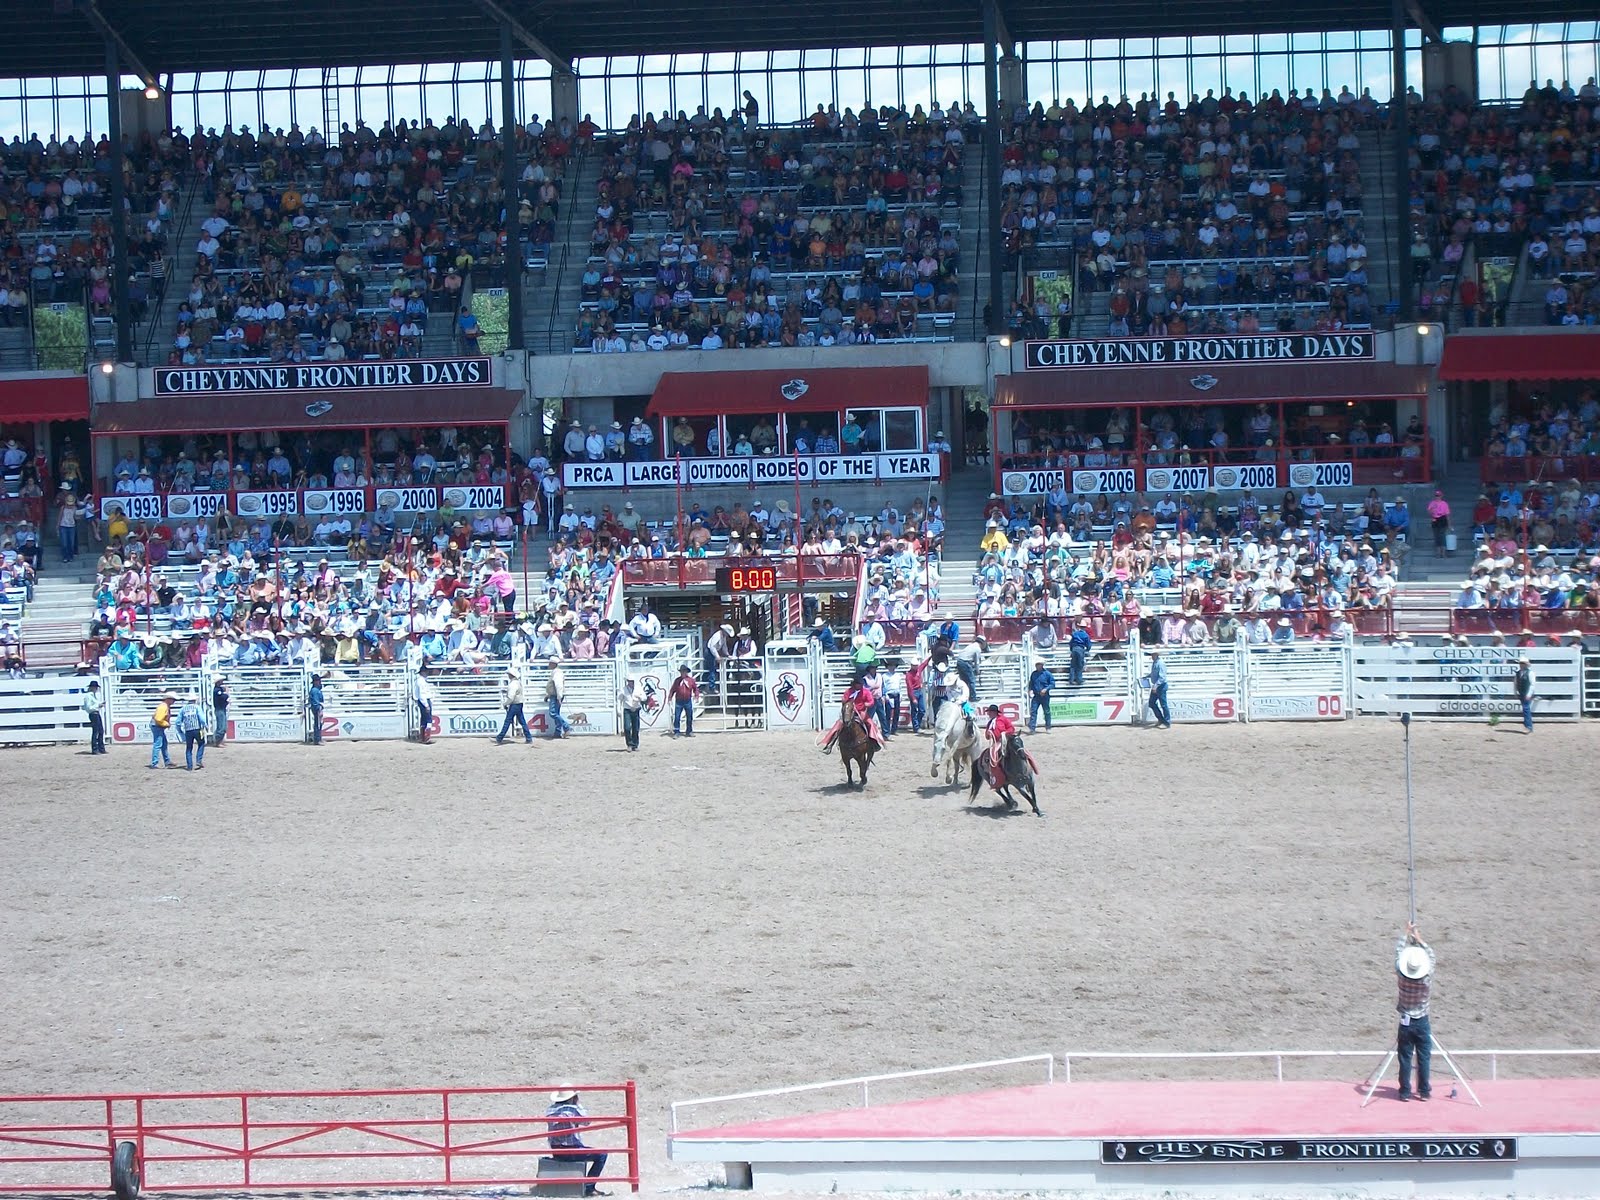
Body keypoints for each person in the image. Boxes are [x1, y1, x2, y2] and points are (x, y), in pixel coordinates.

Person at [1394, 920, 1436, 1101]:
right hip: (1422, 1021)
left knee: (1404, 1058)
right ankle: (1424, 1091)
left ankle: (1404, 1091)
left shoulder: (1402, 977)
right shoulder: (1426, 979)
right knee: (1424, 1057)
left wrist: (1406, 934)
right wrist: (1419, 939)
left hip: (1406, 1021)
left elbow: (1397, 955)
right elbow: (1432, 956)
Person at [544, 1085, 609, 1197]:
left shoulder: (551, 1109)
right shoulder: (572, 1110)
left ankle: (589, 1187)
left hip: (556, 1150)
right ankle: (589, 1188)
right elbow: (587, 1121)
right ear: (572, 1097)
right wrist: (578, 1104)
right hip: (571, 1150)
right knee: (602, 1155)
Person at [820, 675, 884, 751]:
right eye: (857, 683)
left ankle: (874, 742)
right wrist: (845, 701)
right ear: (854, 684)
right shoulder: (849, 691)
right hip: (849, 712)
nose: (859, 685)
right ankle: (830, 743)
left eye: (860, 684)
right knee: (838, 724)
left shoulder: (866, 692)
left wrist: (866, 704)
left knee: (870, 723)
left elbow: (871, 701)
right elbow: (844, 700)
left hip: (861, 712)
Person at [495, 665, 534, 744]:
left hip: (514, 704)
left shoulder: (512, 684)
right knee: (522, 721)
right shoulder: (518, 683)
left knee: (508, 721)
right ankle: (528, 737)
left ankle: (500, 737)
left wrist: (505, 703)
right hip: (519, 703)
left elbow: (511, 697)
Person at [545, 656, 573, 738]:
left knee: (553, 713)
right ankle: (557, 732)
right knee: (556, 713)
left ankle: (566, 727)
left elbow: (558, 685)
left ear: (553, 664)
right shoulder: (556, 672)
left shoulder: (556, 673)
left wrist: (559, 697)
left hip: (556, 695)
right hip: (555, 695)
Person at [178, 693, 207, 769]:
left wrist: (180, 731)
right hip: (197, 729)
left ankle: (189, 766)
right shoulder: (197, 707)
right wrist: (205, 726)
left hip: (188, 731)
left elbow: (178, 722)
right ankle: (198, 760)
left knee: (189, 748)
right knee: (201, 743)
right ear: (194, 700)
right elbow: (202, 718)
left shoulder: (183, 709)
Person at [149, 689, 177, 768]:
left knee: (163, 743)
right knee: (158, 744)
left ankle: (167, 761)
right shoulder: (163, 707)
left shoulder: (164, 706)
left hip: (157, 726)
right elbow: (158, 719)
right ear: (168, 699)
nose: (174, 701)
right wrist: (166, 724)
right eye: (173, 699)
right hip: (157, 726)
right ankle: (155, 763)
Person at [669, 664, 698, 737]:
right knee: (677, 717)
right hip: (679, 701)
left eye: (684, 671)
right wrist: (670, 697)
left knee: (689, 716)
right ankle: (677, 731)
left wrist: (696, 695)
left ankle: (689, 731)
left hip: (687, 700)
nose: (683, 673)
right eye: (682, 672)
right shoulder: (677, 681)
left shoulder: (691, 680)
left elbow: (695, 689)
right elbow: (673, 690)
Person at [1145, 649, 1171, 728]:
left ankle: (1166, 722)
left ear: (1156, 655)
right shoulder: (1156, 663)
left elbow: (1162, 677)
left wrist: (1155, 686)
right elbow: (1157, 674)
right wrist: (1148, 676)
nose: (1151, 656)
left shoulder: (1160, 663)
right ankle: (1162, 720)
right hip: (1158, 685)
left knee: (1163, 704)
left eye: (1152, 655)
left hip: (1160, 686)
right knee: (1152, 703)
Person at [1027, 661, 1055, 733]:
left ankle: (1048, 727)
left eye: (1039, 664)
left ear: (1042, 665)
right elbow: (1031, 683)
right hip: (1036, 695)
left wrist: (1046, 689)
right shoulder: (1034, 674)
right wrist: (1030, 690)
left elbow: (1052, 684)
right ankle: (1032, 728)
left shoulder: (1047, 674)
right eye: (1037, 665)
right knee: (1033, 711)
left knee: (1046, 711)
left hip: (1045, 696)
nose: (1037, 666)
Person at [414, 666, 438, 744]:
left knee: (424, 719)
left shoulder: (420, 681)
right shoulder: (421, 681)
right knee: (428, 719)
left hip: (422, 700)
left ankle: (423, 737)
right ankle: (426, 738)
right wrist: (426, 705)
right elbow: (422, 694)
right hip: (424, 700)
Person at [619, 674, 643, 751]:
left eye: (632, 681)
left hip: (636, 709)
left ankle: (635, 745)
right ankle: (629, 744)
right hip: (627, 709)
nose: (631, 683)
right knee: (627, 727)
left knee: (636, 728)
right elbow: (619, 699)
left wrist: (640, 698)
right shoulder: (623, 690)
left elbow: (644, 697)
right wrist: (618, 709)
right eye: (629, 681)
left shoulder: (638, 688)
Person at [82, 679, 106, 754]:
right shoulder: (88, 696)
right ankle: (95, 749)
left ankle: (100, 748)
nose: (96, 689)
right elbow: (88, 707)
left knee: (100, 731)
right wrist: (98, 705)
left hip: (96, 713)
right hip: (93, 714)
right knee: (96, 731)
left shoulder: (92, 696)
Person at [1426, 489, 1452, 557]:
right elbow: (1429, 511)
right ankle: (1438, 553)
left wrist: (1449, 525)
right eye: (1436, 496)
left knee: (1442, 536)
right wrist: (1432, 513)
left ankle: (1443, 553)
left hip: (1442, 519)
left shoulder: (1444, 503)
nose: (1437, 497)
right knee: (1436, 536)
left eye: (1438, 495)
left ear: (1441, 496)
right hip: (1435, 519)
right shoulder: (1432, 503)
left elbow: (1447, 515)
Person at [1513, 654, 1535, 733]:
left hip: (1527, 693)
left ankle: (1528, 726)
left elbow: (1532, 684)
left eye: (1522, 663)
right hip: (1521, 693)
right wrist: (1515, 692)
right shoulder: (1518, 673)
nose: (1521, 665)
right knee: (1525, 709)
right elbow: (1515, 683)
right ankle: (1528, 726)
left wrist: (1529, 694)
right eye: (1520, 663)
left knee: (1526, 709)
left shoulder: (1530, 673)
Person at [1068, 619, 1092, 686]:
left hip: (1074, 649)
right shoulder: (1085, 635)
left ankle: (1071, 679)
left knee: (1073, 665)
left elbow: (1071, 643)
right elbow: (1088, 645)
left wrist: (1071, 650)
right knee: (1079, 665)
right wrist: (1087, 650)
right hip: (1080, 649)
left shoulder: (1075, 634)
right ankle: (1079, 679)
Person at [211, 674, 230, 747]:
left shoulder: (219, 689)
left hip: (221, 709)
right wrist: (227, 694)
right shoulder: (217, 690)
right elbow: (223, 697)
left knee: (223, 726)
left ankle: (220, 741)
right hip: (220, 709)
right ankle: (218, 742)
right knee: (221, 726)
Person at [308, 673, 325, 744]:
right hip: (317, 708)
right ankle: (317, 739)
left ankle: (318, 739)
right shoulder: (315, 690)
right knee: (318, 724)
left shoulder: (315, 689)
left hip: (317, 707)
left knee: (318, 723)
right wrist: (319, 708)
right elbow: (316, 701)